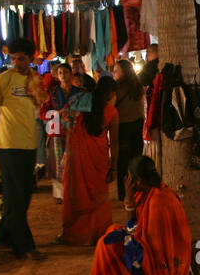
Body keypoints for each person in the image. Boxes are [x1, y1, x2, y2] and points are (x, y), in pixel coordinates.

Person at [84, 155, 192, 275]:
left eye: (130, 178)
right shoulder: (151, 192)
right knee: (111, 232)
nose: (128, 182)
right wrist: (129, 200)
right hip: (150, 248)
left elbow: (142, 242)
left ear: (139, 180)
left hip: (160, 267)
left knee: (106, 246)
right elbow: (134, 228)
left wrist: (128, 198)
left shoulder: (158, 202)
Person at [0, 37, 44, 260]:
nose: (16, 62)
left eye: (21, 58)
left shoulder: (36, 80)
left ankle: (3, 235)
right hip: (8, 142)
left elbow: (42, 102)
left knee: (22, 194)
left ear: (30, 59)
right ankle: (24, 246)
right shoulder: (3, 79)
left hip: (28, 142)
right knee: (16, 195)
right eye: (13, 58)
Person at [59, 74, 119, 246]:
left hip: (76, 158)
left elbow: (63, 121)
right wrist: (114, 168)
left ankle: (75, 234)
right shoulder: (111, 111)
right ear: (110, 94)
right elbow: (114, 143)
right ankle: (97, 234)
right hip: (98, 160)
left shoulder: (78, 103)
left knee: (76, 194)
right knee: (97, 196)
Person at [112, 59, 146, 201]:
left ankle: (124, 193)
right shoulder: (137, 86)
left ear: (123, 72)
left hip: (123, 127)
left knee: (123, 163)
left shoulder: (117, 88)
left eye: (116, 71)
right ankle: (137, 190)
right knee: (135, 160)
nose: (114, 73)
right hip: (137, 125)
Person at [43, 62, 74, 202]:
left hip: (73, 131)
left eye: (65, 72)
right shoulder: (53, 93)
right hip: (57, 131)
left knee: (73, 162)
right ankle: (60, 194)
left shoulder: (78, 92)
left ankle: (73, 192)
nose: (63, 75)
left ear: (70, 74)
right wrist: (58, 113)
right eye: (60, 73)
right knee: (57, 163)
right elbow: (44, 113)